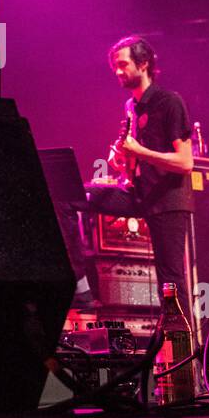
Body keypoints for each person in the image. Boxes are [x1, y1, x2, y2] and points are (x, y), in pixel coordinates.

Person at [85, 36, 195, 296]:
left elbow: (185, 162)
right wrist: (122, 160)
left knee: (170, 280)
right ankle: (80, 283)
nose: (118, 72)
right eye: (115, 67)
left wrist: (139, 152)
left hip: (168, 200)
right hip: (140, 194)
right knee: (77, 195)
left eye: (123, 65)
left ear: (143, 63)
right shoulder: (130, 106)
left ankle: (179, 337)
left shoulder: (169, 101)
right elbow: (135, 158)